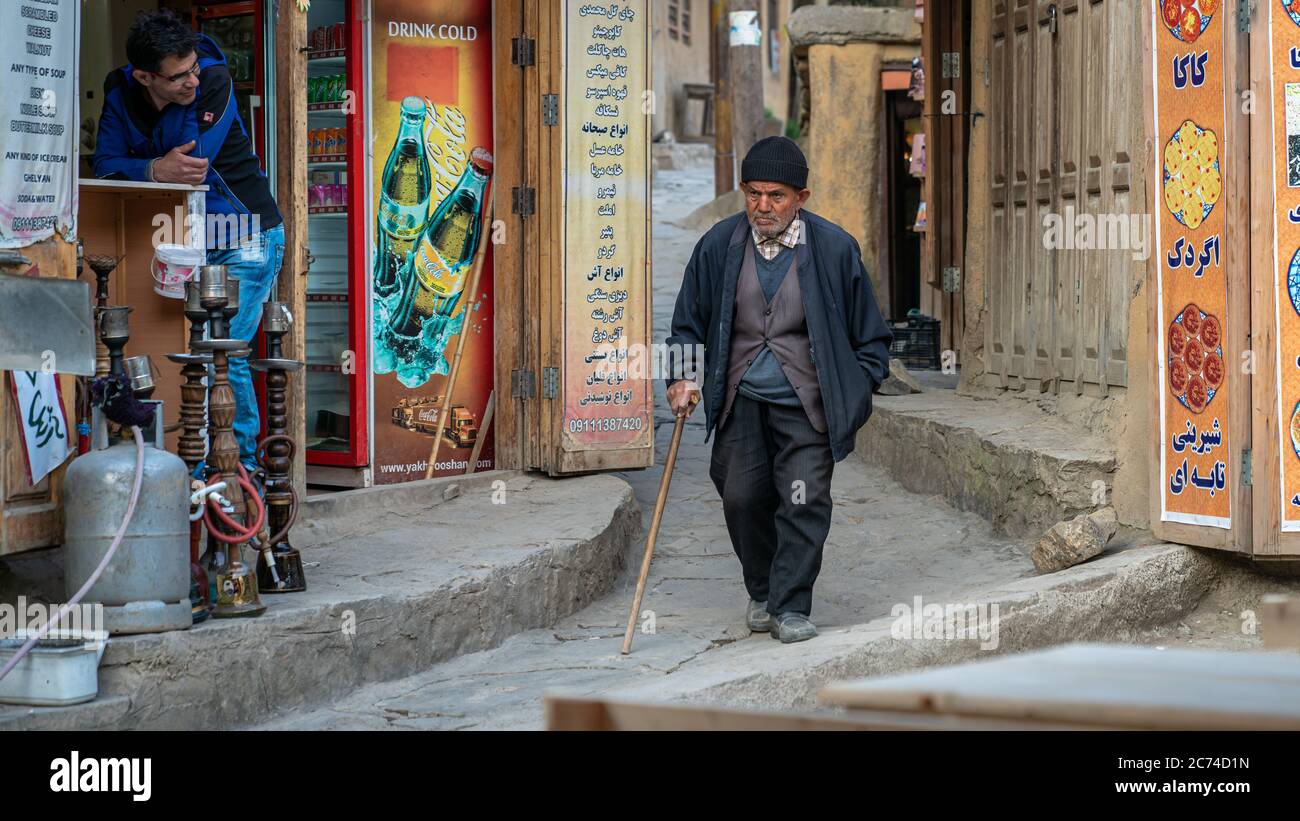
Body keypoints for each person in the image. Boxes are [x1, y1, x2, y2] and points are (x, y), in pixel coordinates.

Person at [665, 136, 892, 643]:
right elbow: (686, 324)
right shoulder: (718, 245)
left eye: (776, 195)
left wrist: (855, 392)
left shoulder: (834, 249)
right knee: (742, 497)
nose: (762, 206)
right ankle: (763, 588)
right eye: (754, 193)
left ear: (801, 197)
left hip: (809, 404)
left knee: (803, 499)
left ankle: (790, 605)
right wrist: (681, 376)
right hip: (741, 399)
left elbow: (872, 339)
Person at [94, 8, 284, 471]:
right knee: (183, 349)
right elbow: (104, 165)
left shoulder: (214, 79)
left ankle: (241, 474)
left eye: (193, 68)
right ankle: (192, 469)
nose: (192, 82)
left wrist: (146, 166)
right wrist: (153, 168)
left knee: (223, 354)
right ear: (143, 76)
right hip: (181, 236)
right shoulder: (119, 89)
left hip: (245, 233)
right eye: (179, 77)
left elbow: (193, 163)